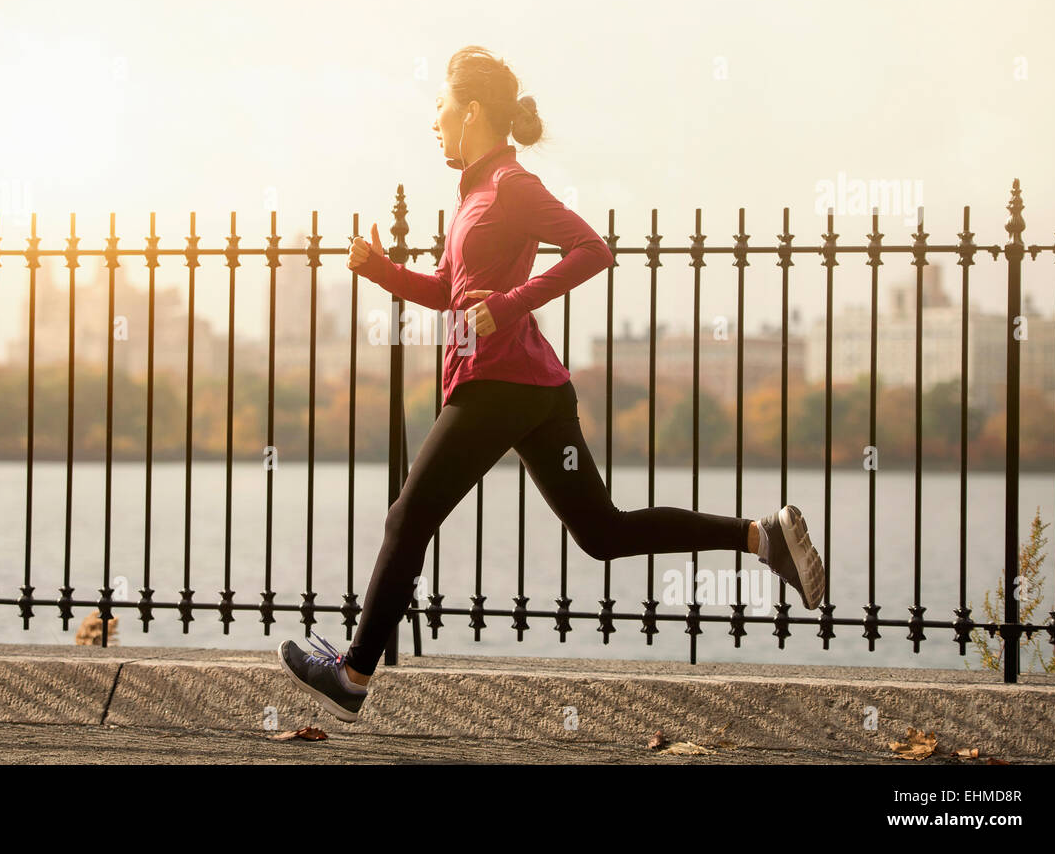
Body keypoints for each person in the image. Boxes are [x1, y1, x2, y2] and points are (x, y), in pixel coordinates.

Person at [278, 46, 825, 724]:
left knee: (407, 517)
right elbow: (451, 291)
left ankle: (354, 674)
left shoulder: (511, 184)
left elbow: (594, 249)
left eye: (441, 107)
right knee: (601, 530)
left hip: (501, 381)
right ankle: (761, 536)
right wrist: (381, 270)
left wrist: (507, 303)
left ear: (471, 110)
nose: (435, 121)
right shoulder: (474, 193)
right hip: (535, 390)